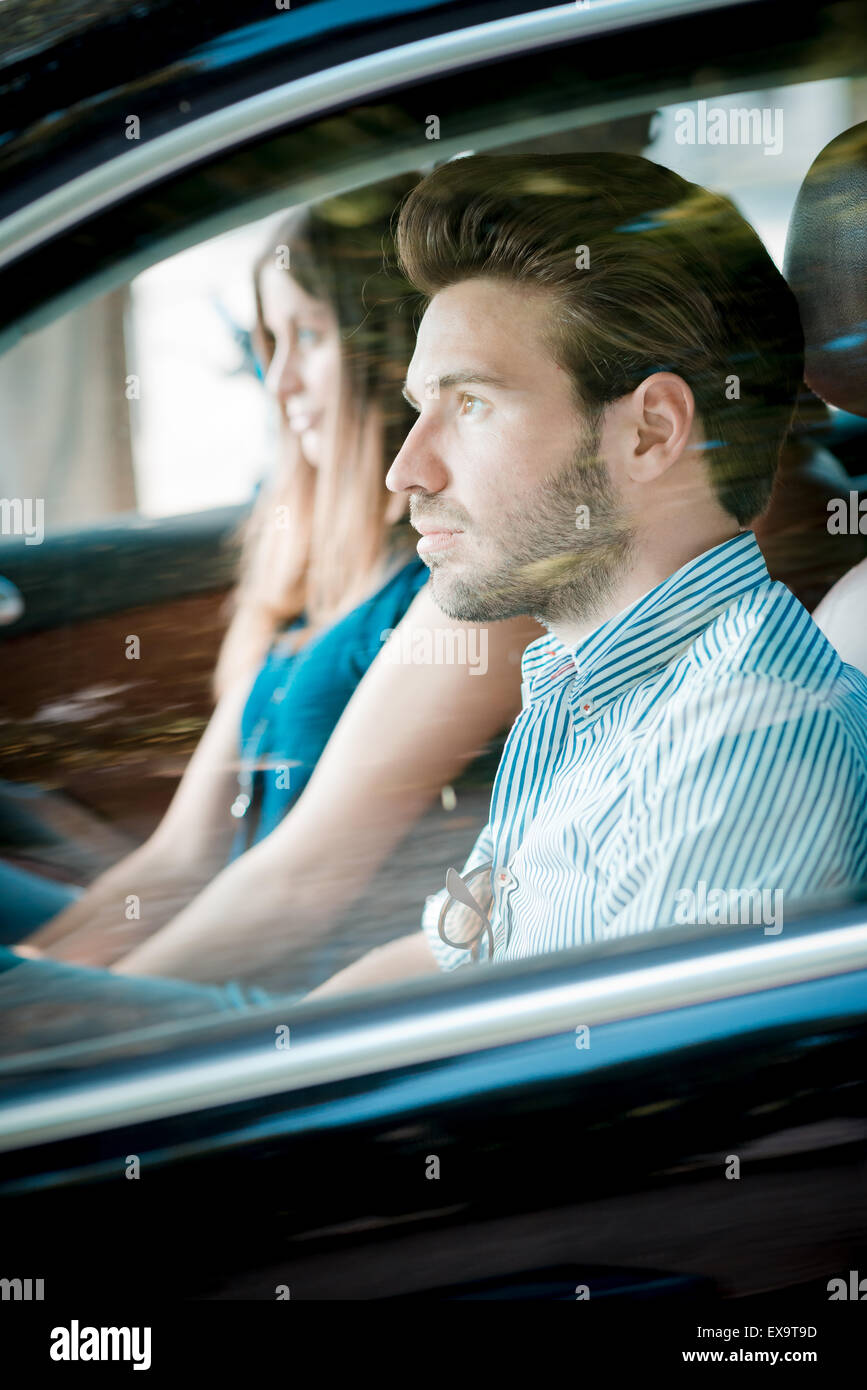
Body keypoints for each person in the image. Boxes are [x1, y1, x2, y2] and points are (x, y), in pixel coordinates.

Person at [303, 151, 867, 999]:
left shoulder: (743, 758)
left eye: (472, 406)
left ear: (649, 432)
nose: (406, 472)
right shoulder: (589, 692)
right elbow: (450, 959)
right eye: (424, 409)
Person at [5, 175, 539, 996]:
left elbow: (296, 888)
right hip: (216, 938)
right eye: (268, 342)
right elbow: (180, 857)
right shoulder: (314, 565)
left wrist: (68, 1022)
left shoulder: (463, 596)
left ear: (392, 353)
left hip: (276, 1012)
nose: (278, 380)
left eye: (309, 337)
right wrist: (41, 980)